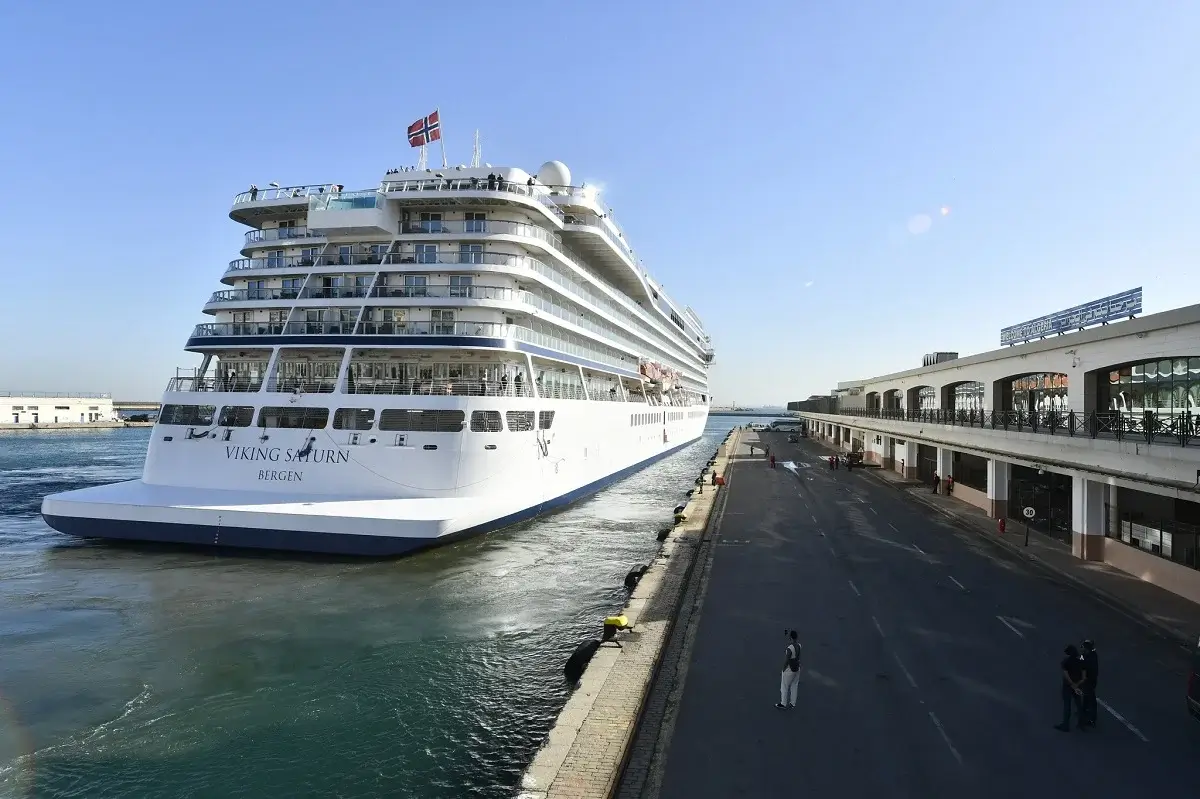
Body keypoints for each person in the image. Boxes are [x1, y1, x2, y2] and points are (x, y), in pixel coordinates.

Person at [1056, 644, 1087, 732]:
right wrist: (1077, 684)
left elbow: (1066, 675)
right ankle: (1081, 724)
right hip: (1078, 686)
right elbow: (1084, 677)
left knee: (1067, 705)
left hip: (1068, 686)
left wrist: (1072, 684)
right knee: (1079, 704)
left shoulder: (1066, 661)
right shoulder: (1081, 661)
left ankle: (1066, 725)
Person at [776, 630, 802, 709]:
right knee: (794, 685)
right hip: (797, 668)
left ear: (790, 638)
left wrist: (783, 669)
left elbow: (787, 660)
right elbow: (798, 657)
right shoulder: (799, 645)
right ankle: (793, 703)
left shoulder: (789, 648)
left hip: (789, 670)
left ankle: (783, 703)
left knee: (784, 686)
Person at [1080, 639, 1099, 727]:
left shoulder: (1091, 658)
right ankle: (1084, 711)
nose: (1082, 648)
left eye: (1083, 647)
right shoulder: (1087, 655)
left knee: (1091, 699)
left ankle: (1092, 719)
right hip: (1087, 680)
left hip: (1089, 681)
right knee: (1086, 696)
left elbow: (1085, 667)